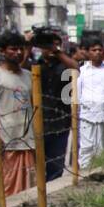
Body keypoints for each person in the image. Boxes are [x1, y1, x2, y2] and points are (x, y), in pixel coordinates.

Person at [0, 32, 37, 198]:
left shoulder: (29, 76)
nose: (18, 53)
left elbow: (35, 105)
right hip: (6, 135)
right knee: (8, 180)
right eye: (14, 49)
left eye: (21, 49)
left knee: (30, 179)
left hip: (28, 136)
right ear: (3, 51)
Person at [31, 27, 77, 181]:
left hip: (60, 122)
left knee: (56, 166)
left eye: (56, 44)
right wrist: (27, 43)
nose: (51, 48)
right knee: (36, 166)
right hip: (38, 122)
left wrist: (57, 51)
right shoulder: (34, 65)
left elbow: (76, 69)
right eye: (48, 45)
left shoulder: (65, 65)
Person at [75, 38, 104, 171]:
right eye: (94, 50)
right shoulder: (82, 71)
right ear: (88, 52)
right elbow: (77, 93)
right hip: (87, 115)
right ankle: (85, 174)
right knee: (87, 146)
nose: (97, 52)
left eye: (100, 50)